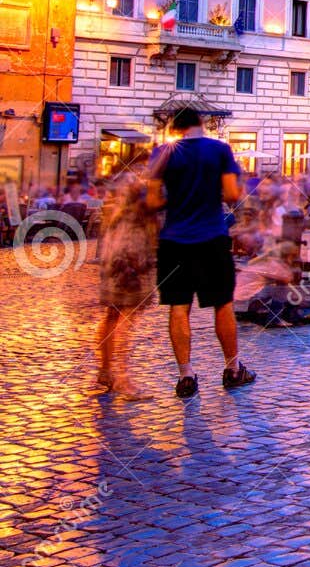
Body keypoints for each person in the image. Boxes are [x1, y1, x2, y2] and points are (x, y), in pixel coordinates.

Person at [146, 108, 252, 398]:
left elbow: (153, 200)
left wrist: (177, 197)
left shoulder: (162, 153)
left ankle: (186, 375)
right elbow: (232, 194)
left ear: (175, 127)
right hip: (211, 237)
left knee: (179, 307)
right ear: (200, 125)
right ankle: (232, 369)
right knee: (222, 304)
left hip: (174, 240)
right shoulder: (219, 149)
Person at [94, 175, 157, 400]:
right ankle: (123, 379)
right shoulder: (144, 191)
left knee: (113, 315)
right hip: (132, 258)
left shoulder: (118, 194)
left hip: (113, 256)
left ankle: (106, 370)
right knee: (126, 320)